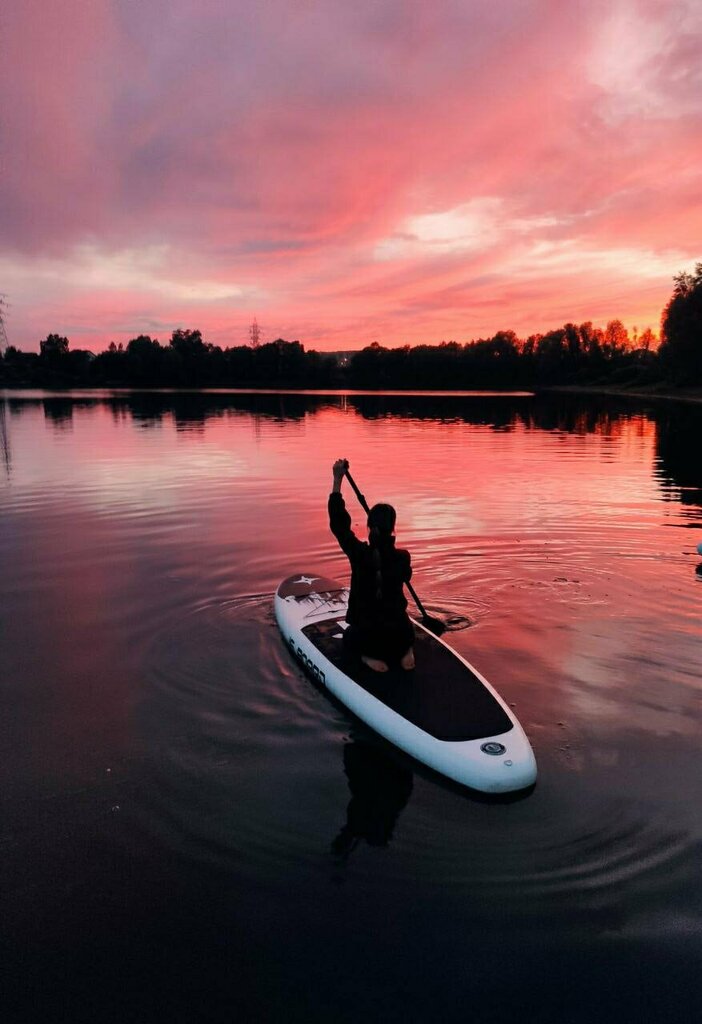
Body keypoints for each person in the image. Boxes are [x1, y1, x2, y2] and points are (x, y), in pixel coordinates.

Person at [329, 458, 415, 673]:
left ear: (370, 527)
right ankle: (406, 653)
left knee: (350, 637)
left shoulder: (360, 554)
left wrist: (337, 480)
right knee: (403, 625)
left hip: (369, 639)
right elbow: (402, 574)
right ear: (393, 527)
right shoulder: (403, 557)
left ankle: (369, 657)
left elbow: (340, 526)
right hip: (401, 635)